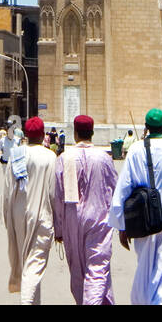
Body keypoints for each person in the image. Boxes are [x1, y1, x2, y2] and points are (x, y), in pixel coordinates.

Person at [108, 108, 162, 305]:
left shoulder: (136, 150)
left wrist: (122, 225)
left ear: (146, 128)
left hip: (143, 220)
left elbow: (123, 188)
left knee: (145, 271)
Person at [52, 115, 118, 304]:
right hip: (98, 218)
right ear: (93, 132)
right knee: (98, 267)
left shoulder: (65, 158)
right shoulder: (103, 158)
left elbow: (58, 195)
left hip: (72, 219)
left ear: (75, 132)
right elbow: (115, 188)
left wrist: (59, 228)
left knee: (78, 269)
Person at [2, 117, 57, 304]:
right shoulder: (50, 156)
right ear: (43, 135)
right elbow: (53, 192)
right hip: (41, 213)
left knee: (28, 262)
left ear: (26, 135)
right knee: (35, 264)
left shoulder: (17, 154)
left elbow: (7, 189)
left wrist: (7, 217)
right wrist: (59, 222)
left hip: (18, 214)